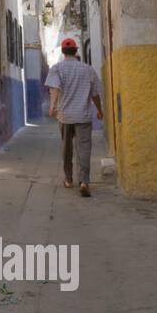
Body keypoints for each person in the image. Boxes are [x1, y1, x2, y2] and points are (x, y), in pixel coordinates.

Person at [45, 38, 104, 197]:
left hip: (65, 116)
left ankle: (69, 179)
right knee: (84, 149)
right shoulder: (88, 69)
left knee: (67, 148)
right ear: (76, 50)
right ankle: (84, 181)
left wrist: (52, 106)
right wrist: (99, 110)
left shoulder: (57, 69)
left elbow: (55, 88)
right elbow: (95, 93)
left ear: (63, 52)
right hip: (83, 115)